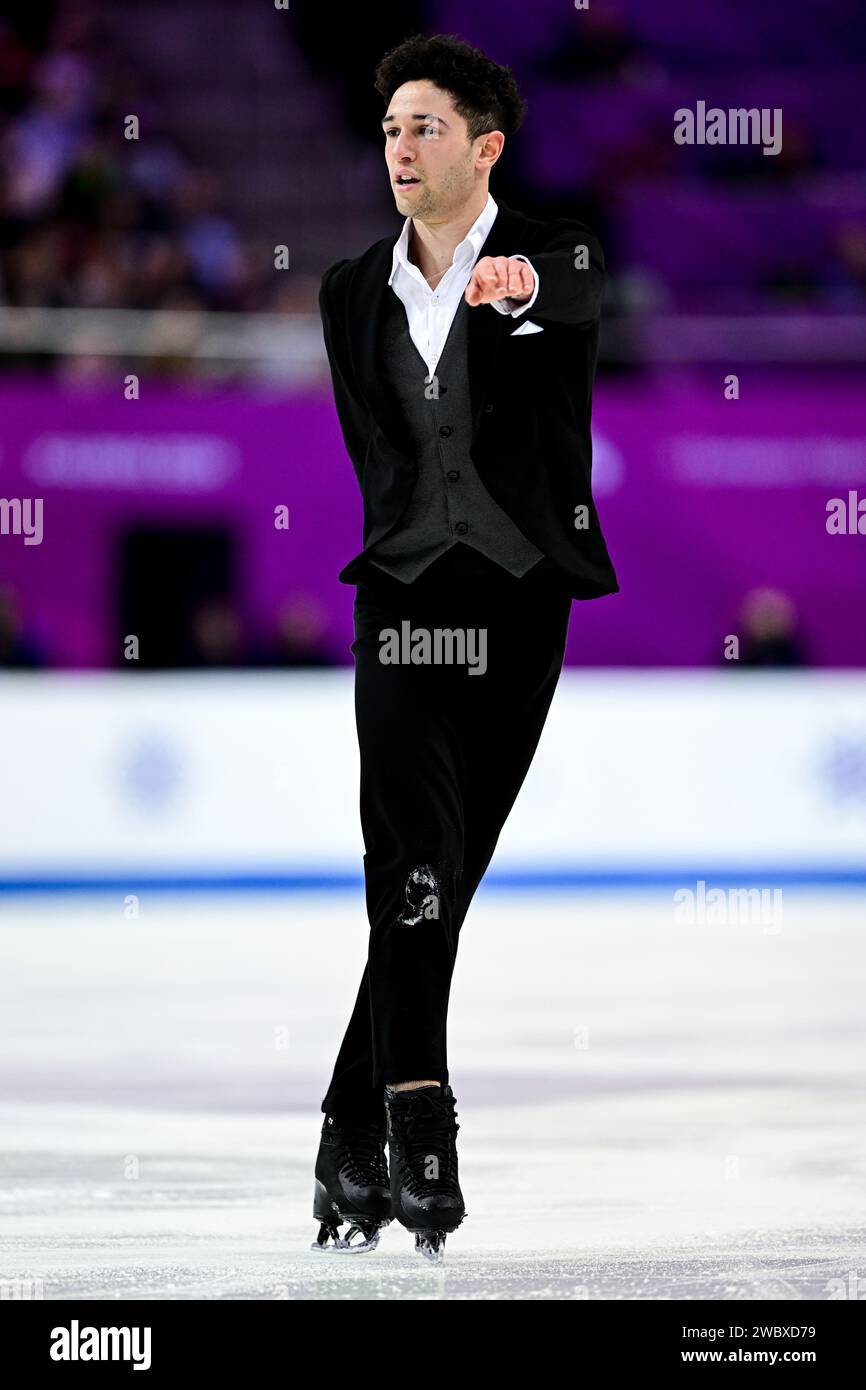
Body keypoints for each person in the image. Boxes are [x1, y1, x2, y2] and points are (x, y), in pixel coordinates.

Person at [313, 33, 618, 1262]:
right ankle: (414, 1123)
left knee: (444, 877)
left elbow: (577, 286)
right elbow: (376, 449)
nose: (400, 145)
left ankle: (342, 1126)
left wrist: (516, 290)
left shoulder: (554, 253)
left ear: (483, 147)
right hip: (399, 600)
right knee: (411, 866)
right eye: (390, 127)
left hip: (516, 605)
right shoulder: (348, 289)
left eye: (425, 127)